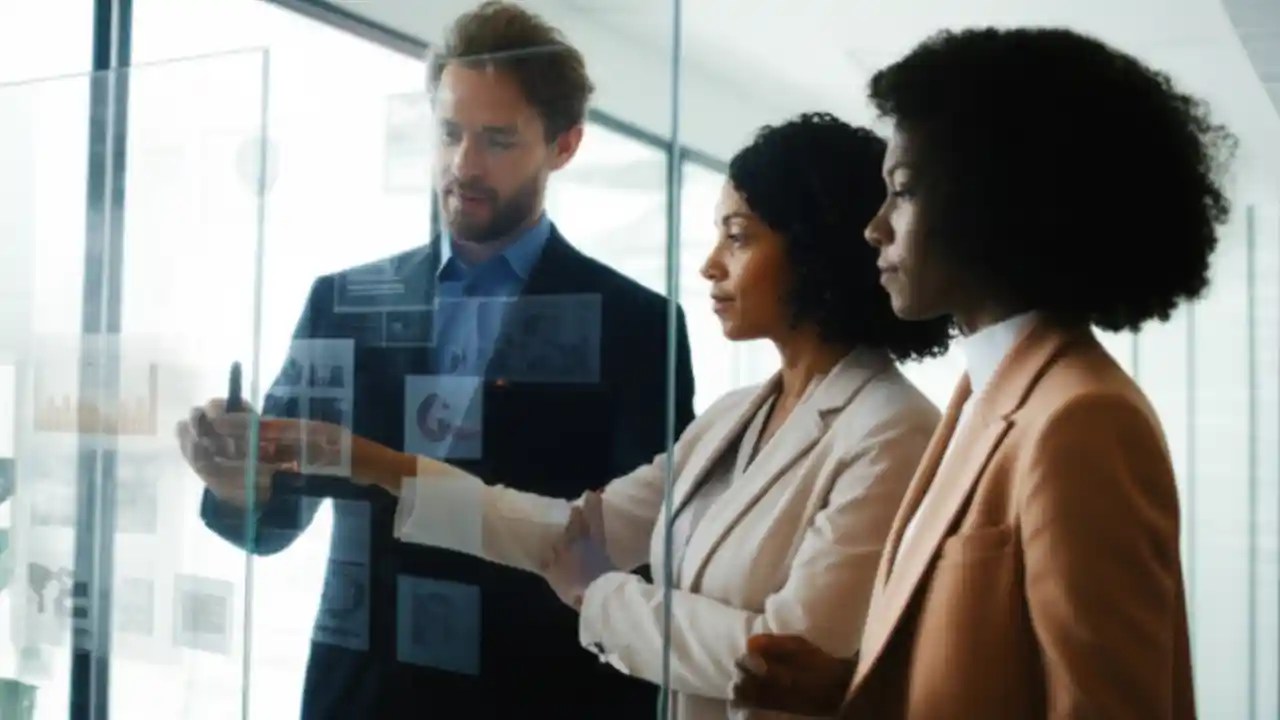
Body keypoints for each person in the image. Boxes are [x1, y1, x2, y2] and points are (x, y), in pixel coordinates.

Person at [238, 113, 953, 720]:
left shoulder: (892, 430)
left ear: (816, 247)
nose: (710, 265)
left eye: (738, 236)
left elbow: (786, 663)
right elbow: (574, 529)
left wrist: (598, 594)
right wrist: (370, 461)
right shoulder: (742, 414)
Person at [177, 3, 695, 718]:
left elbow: (646, 553)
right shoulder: (342, 302)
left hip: (546, 699)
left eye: (498, 140)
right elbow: (274, 523)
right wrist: (235, 483)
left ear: (565, 145)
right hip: (365, 697)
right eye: (449, 133)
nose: (463, 164)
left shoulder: (639, 326)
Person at [731, 27, 1235, 719]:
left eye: (902, 193)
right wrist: (848, 687)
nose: (874, 228)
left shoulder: (1082, 419)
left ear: (998, 199)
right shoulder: (986, 393)